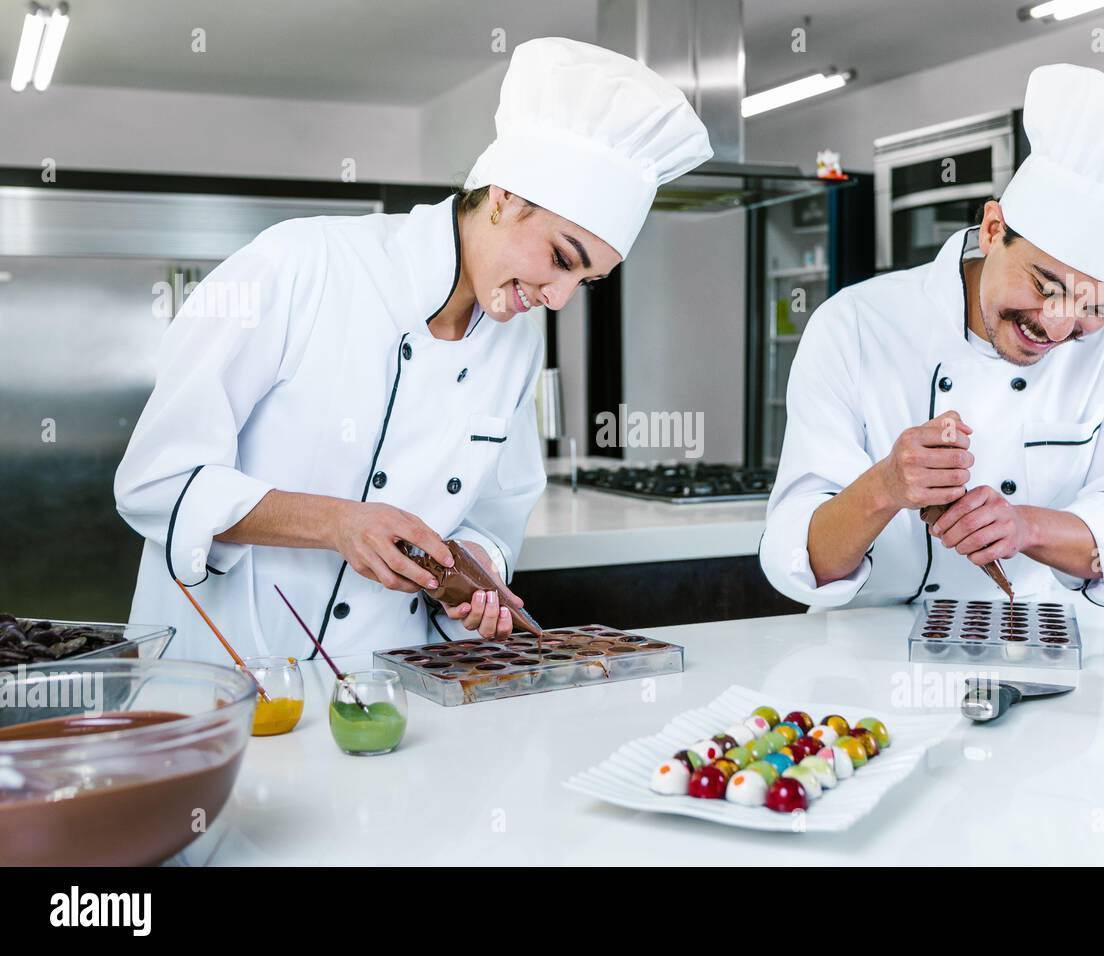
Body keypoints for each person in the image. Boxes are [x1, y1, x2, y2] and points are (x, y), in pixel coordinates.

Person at [115, 37, 712, 663]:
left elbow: (494, 518)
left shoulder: (515, 347)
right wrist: (338, 524)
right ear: (506, 196)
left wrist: (474, 572)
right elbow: (158, 480)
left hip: (389, 680)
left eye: (584, 282)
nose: (561, 297)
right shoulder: (303, 263)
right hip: (235, 670)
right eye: (562, 258)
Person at [761, 64, 1104, 610]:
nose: (1057, 326)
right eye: (1046, 285)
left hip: (1047, 644)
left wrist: (1025, 527)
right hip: (864, 661)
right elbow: (799, 562)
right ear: (994, 229)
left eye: (1098, 307)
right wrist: (885, 487)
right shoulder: (854, 324)